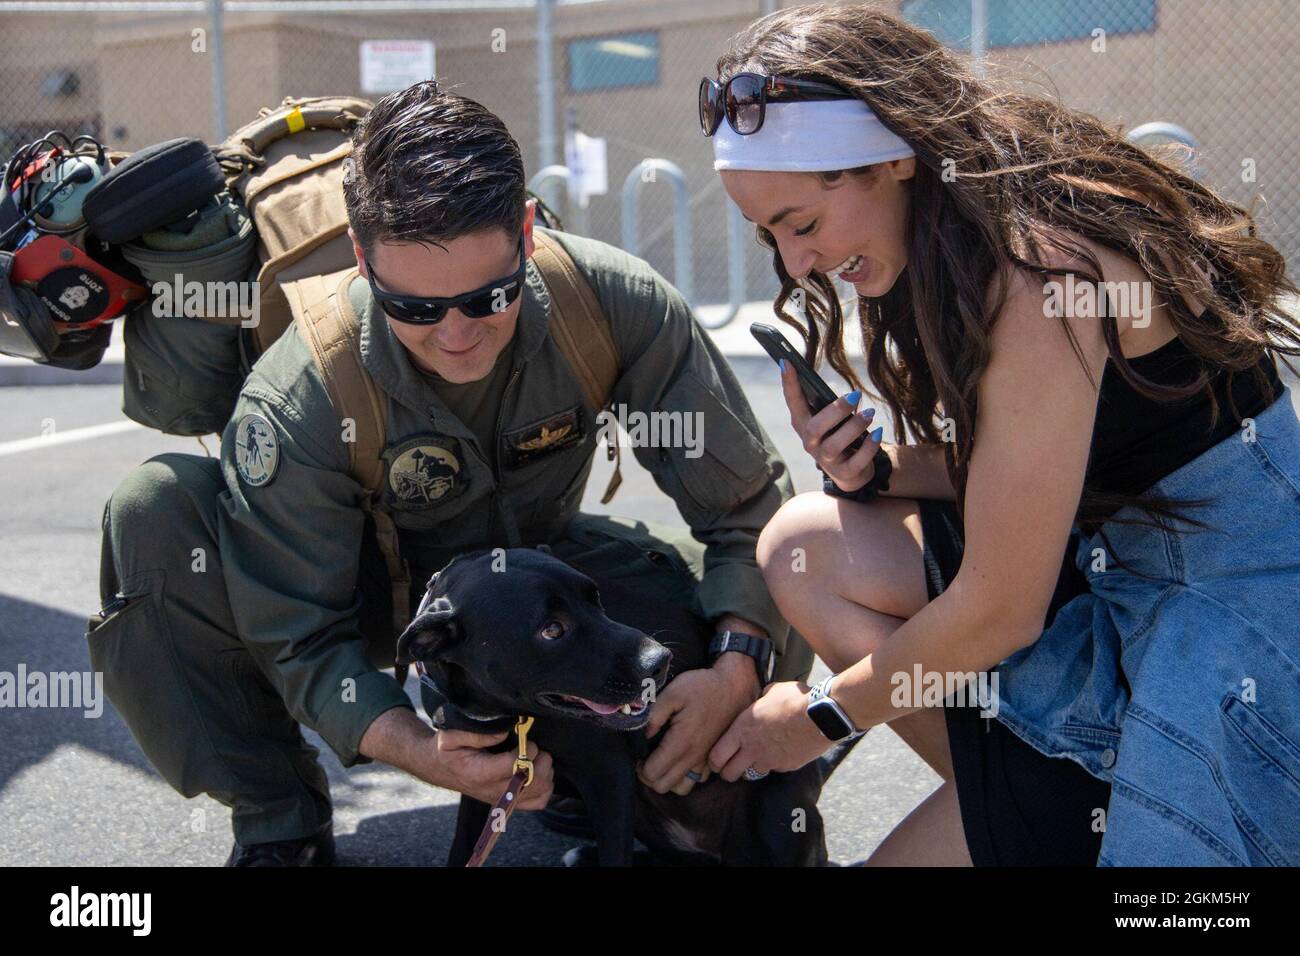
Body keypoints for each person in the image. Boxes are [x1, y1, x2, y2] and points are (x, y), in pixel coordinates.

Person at [91, 81, 811, 866]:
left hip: (535, 584)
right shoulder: (302, 391)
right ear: (365, 263)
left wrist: (737, 668)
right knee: (154, 510)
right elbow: (297, 632)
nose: (459, 336)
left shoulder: (611, 303)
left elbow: (747, 513)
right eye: (418, 310)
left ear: (528, 233)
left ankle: (692, 797)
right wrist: (418, 748)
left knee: (801, 555)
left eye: (489, 297)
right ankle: (279, 821)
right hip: (365, 600)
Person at [701, 4, 1300, 865]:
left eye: (802, 223)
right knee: (806, 544)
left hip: (1232, 605)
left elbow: (1001, 609)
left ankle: (1068, 807)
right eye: (771, 235)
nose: (796, 265)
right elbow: (1050, 473)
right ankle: (1046, 798)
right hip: (1121, 565)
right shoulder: (964, 220)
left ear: (895, 155)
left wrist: (822, 719)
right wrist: (879, 473)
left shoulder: (1037, 269)